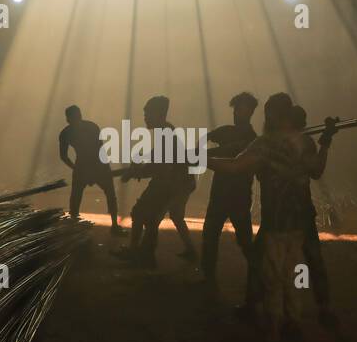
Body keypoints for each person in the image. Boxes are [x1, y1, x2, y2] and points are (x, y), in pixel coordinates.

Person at [209, 93, 309, 340]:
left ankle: (274, 326)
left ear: (272, 115)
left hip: (277, 221)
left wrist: (201, 159)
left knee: (273, 274)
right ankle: (294, 319)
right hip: (300, 221)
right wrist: (325, 143)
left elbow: (234, 165)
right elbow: (317, 168)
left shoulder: (265, 143)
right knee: (296, 272)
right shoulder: (306, 143)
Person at [121, 96, 192, 267]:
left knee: (144, 214)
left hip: (173, 184)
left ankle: (141, 254)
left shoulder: (166, 133)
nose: (145, 117)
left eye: (148, 114)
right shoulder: (164, 131)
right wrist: (137, 168)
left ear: (159, 115)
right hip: (172, 182)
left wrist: (137, 171)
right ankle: (143, 254)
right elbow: (155, 157)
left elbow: (160, 167)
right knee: (153, 216)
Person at [200, 92, 258, 284]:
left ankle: (258, 279)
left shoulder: (253, 140)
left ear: (250, 112)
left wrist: (201, 155)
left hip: (238, 196)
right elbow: (204, 139)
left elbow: (231, 157)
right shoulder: (227, 131)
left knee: (245, 241)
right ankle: (207, 279)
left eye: (240, 110)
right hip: (220, 194)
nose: (236, 114)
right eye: (235, 110)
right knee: (210, 236)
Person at [291, 104, 338, 328]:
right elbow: (317, 171)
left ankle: (323, 305)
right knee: (310, 259)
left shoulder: (300, 142)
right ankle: (323, 306)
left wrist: (325, 141)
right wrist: (325, 141)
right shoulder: (293, 141)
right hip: (293, 209)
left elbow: (316, 171)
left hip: (294, 210)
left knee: (308, 258)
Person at [58, 104, 122, 234]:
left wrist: (79, 169)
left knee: (107, 194)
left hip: (95, 165)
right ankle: (114, 226)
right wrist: (77, 169)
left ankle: (114, 225)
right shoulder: (82, 129)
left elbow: (98, 149)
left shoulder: (69, 132)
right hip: (87, 166)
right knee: (79, 196)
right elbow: (64, 156)